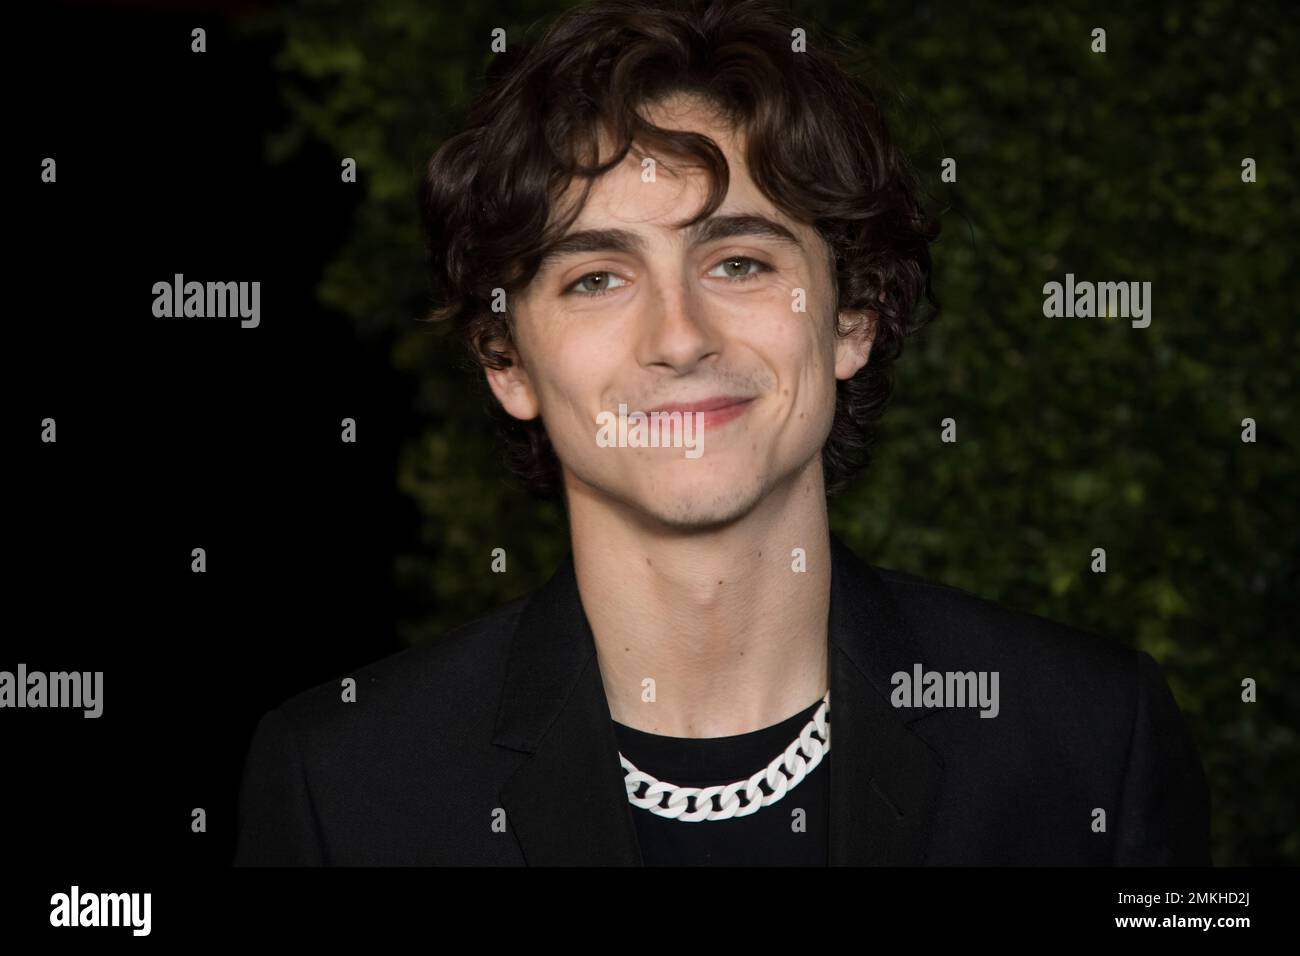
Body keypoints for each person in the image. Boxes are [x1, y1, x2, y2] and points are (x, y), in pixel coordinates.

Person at [234, 0, 1211, 866]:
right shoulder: (344, 783)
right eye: (595, 277)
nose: (678, 335)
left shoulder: (1086, 738)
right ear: (507, 361)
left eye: (739, 261)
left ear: (851, 316)